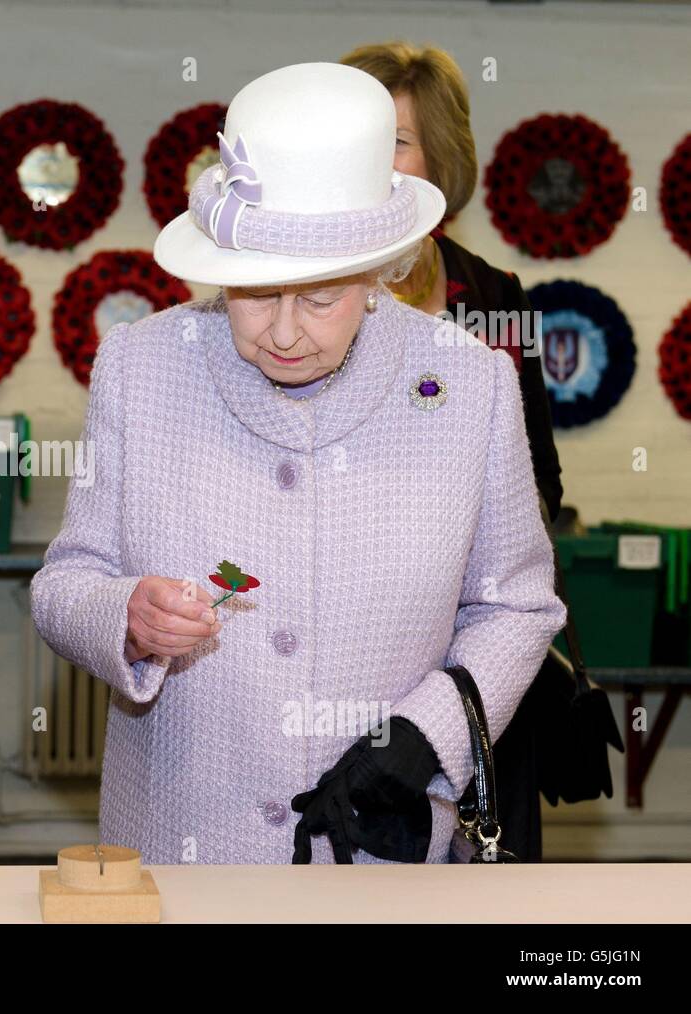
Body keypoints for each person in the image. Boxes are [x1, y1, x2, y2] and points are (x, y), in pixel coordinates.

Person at [30, 63, 566, 865]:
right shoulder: (141, 368)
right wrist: (126, 617)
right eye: (253, 294)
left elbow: (517, 608)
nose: (282, 332)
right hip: (186, 843)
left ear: (383, 269)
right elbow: (65, 582)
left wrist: (426, 737)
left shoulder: (470, 384)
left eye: (319, 298)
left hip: (383, 848)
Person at [342, 41, 563, 860]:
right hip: (352, 644)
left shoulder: (496, 298)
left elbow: (543, 475)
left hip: (480, 661)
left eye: (394, 139)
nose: (374, 160)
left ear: (441, 158)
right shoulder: (306, 293)